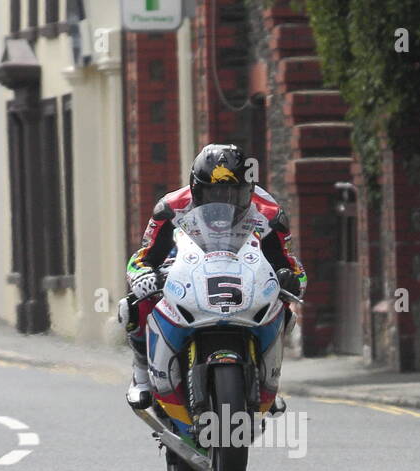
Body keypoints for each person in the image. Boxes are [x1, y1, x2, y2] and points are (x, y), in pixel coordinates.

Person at [121, 143, 306, 408]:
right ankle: (141, 375)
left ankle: (266, 381)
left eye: (233, 193)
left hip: (244, 277)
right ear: (196, 188)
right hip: (186, 272)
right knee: (132, 305)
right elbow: (143, 256)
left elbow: (289, 264)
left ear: (249, 191)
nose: (222, 201)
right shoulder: (170, 209)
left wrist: (290, 278)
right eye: (213, 192)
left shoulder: (270, 215)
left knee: (284, 307)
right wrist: (144, 274)